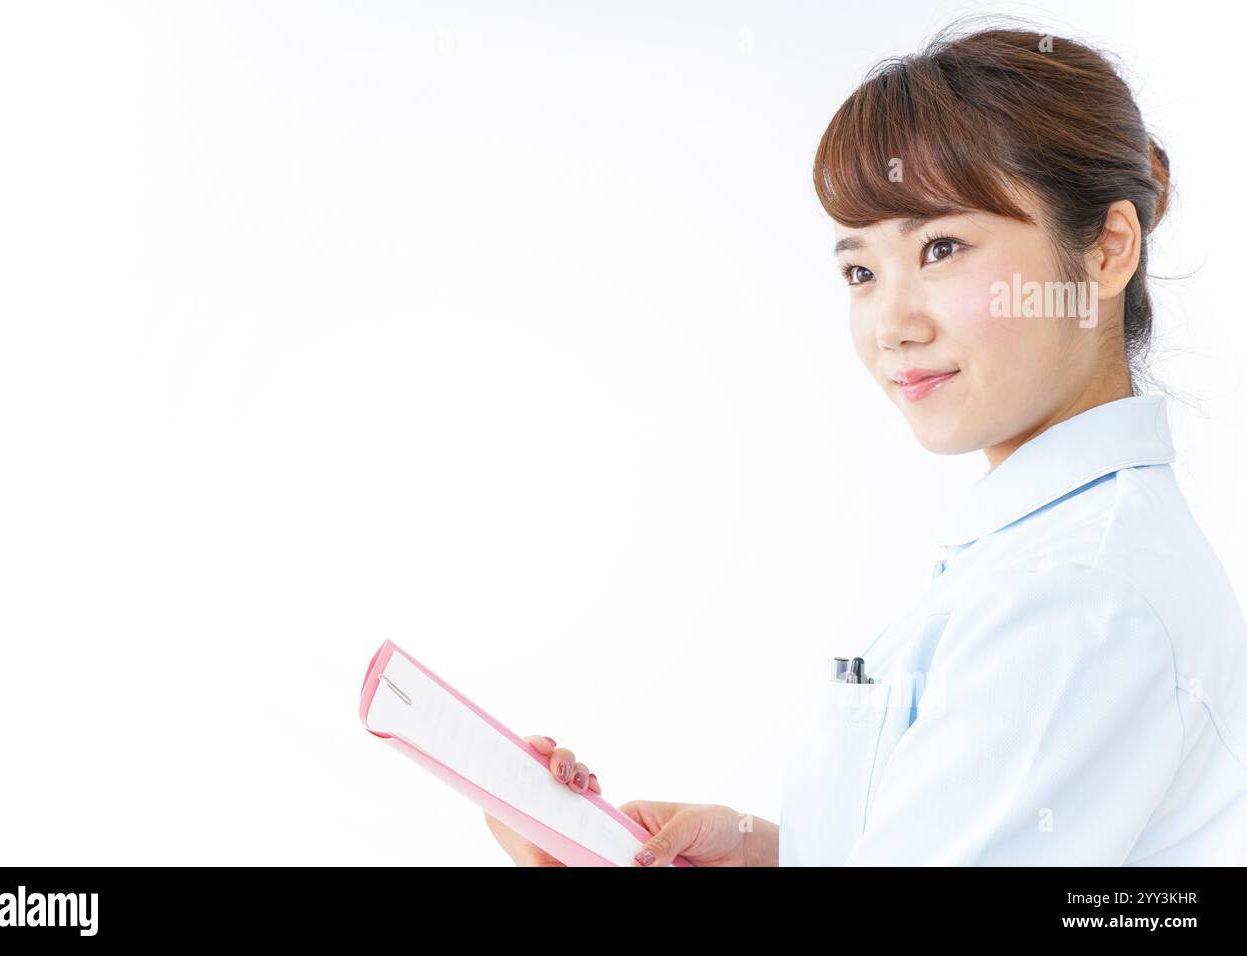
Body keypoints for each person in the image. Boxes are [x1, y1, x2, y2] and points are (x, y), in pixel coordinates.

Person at [486, 19, 1247, 866]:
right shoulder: (1053, 557)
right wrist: (768, 854)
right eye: (861, 272)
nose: (892, 324)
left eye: (943, 247)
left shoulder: (1078, 599)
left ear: (1108, 251)